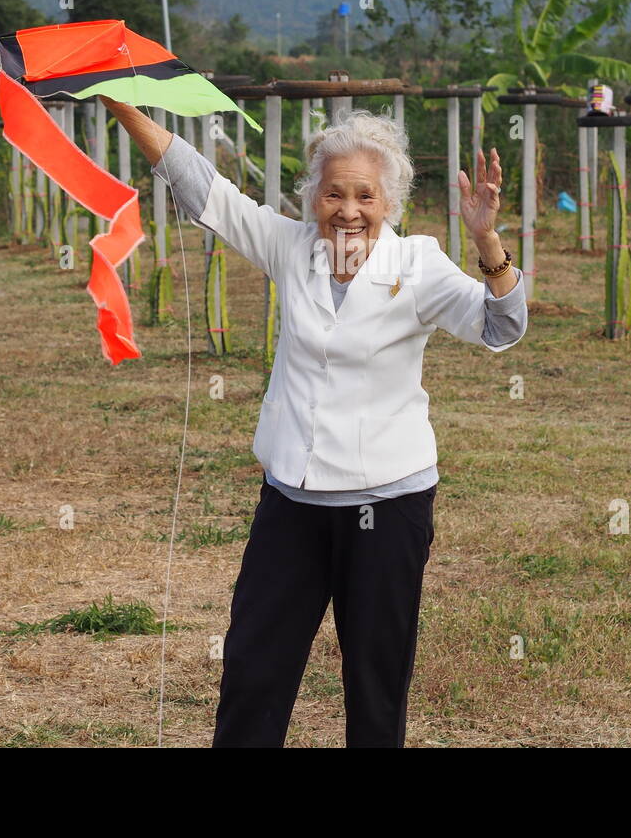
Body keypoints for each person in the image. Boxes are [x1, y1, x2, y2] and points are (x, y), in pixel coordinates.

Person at [102, 97, 528, 747]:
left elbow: (503, 326)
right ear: (313, 197)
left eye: (365, 194)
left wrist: (487, 240)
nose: (348, 209)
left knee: (374, 684)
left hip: (388, 506)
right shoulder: (289, 245)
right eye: (334, 192)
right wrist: (122, 106)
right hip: (292, 503)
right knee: (252, 669)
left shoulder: (417, 264)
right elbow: (204, 188)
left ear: (388, 200)